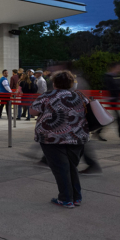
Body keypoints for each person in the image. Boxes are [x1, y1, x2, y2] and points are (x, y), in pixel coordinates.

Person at [30, 70, 88, 208]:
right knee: (72, 167)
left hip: (51, 138)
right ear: (71, 83)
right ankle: (76, 197)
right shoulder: (80, 96)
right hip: (77, 136)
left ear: (54, 83)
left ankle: (66, 199)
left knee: (61, 168)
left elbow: (33, 111)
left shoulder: (47, 96)